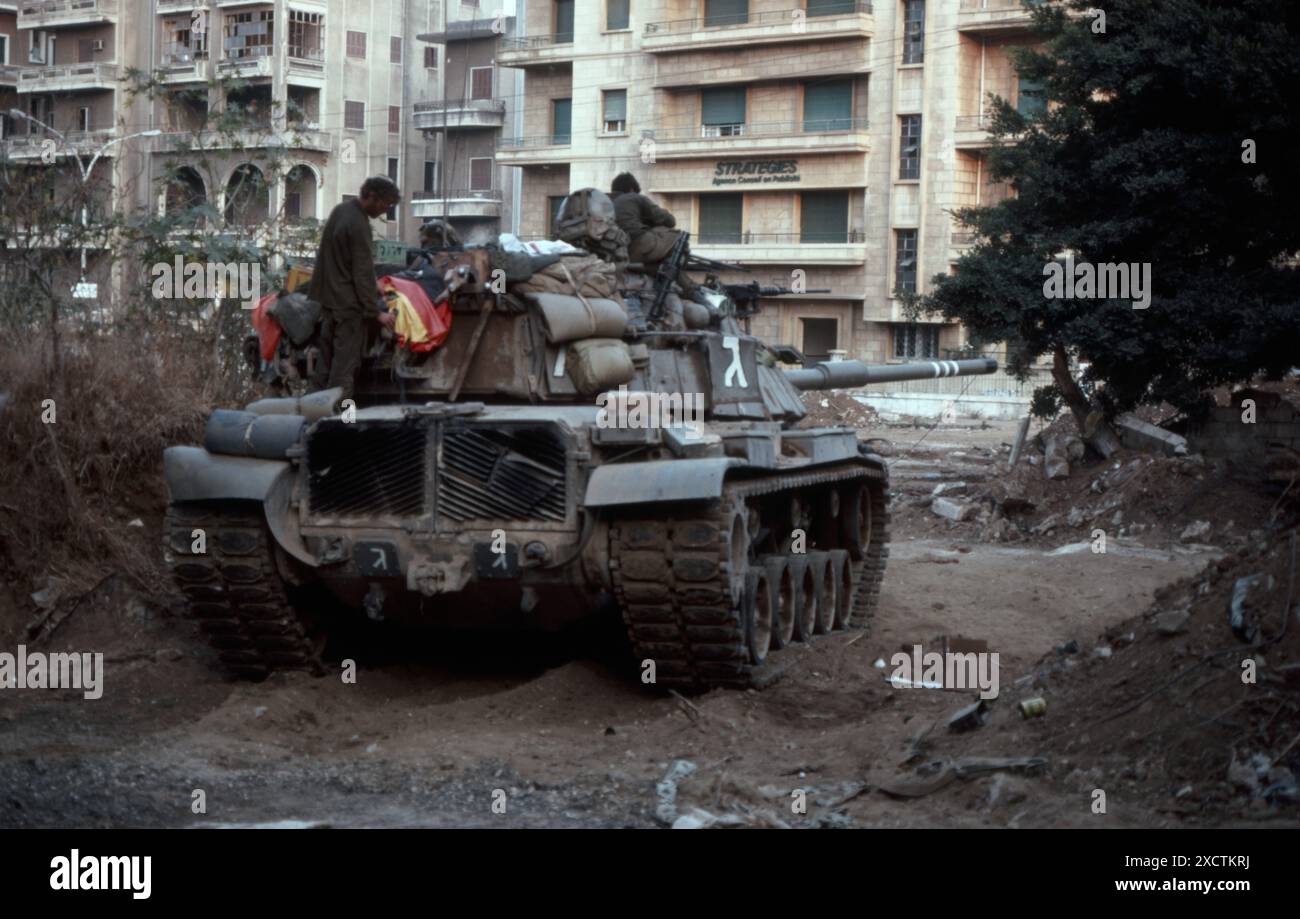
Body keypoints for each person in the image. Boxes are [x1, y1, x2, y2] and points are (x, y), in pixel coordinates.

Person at [309, 176, 402, 399]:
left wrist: (373, 284)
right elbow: (361, 272)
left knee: (325, 362)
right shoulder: (359, 225)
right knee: (344, 368)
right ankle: (338, 421)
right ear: (371, 196)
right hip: (348, 306)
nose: (384, 211)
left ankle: (312, 409)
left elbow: (345, 261)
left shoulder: (341, 211)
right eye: (384, 204)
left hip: (329, 300)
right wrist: (375, 313)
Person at [609, 172, 698, 293]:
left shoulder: (606, 202)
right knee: (678, 237)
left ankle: (676, 279)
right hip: (637, 245)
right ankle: (686, 286)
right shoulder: (634, 197)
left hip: (617, 255)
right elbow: (669, 220)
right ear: (631, 189)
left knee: (659, 263)